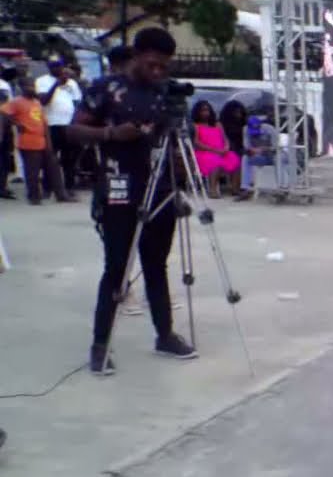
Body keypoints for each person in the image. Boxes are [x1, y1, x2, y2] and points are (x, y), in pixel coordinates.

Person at [70, 27, 197, 375]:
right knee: (117, 269)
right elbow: (73, 131)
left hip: (160, 190)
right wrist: (111, 133)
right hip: (118, 188)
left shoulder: (166, 93)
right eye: (152, 64)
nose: (158, 71)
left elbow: (179, 139)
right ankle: (100, 344)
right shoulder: (105, 89)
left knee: (157, 265)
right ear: (136, 55)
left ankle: (165, 335)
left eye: (164, 66)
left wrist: (180, 175)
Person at [0, 77, 75, 204]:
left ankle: (61, 195)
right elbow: (3, 113)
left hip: (43, 141)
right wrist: (16, 123)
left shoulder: (36, 102)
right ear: (22, 88)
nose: (32, 88)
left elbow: (44, 123)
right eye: (28, 86)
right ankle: (34, 197)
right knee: (32, 172)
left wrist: (48, 142)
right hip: (28, 142)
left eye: (33, 86)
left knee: (54, 169)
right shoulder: (17, 102)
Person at [35, 58, 83, 192]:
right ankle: (48, 188)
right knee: (50, 157)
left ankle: (69, 187)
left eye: (59, 66)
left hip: (69, 125)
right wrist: (57, 84)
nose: (57, 69)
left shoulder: (72, 82)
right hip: (51, 124)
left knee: (69, 158)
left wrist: (75, 120)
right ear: (49, 68)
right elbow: (43, 101)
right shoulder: (42, 81)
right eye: (54, 66)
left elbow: (77, 102)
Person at [190, 100, 240, 198]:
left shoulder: (218, 124)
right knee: (214, 160)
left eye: (207, 110)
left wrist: (226, 148)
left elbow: (225, 139)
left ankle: (235, 188)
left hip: (221, 151)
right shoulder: (196, 126)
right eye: (203, 110)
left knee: (234, 158)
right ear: (198, 112)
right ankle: (212, 190)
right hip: (204, 153)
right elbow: (196, 142)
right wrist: (213, 150)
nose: (206, 113)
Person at [236, 115, 282, 199]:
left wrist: (264, 149)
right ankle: (246, 188)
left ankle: (280, 187)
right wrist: (252, 150)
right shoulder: (245, 129)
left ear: (260, 125)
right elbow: (246, 147)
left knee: (279, 158)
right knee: (245, 158)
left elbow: (277, 147)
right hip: (258, 157)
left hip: (271, 156)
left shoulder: (269, 129)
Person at [219, 100, 249, 194]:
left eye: (240, 112)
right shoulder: (223, 125)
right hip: (226, 148)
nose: (238, 115)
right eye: (236, 112)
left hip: (239, 148)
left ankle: (240, 186)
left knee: (241, 157)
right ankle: (235, 188)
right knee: (237, 159)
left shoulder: (243, 124)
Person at [0, 69, 15, 200]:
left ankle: (2, 186)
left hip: (5, 127)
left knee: (5, 159)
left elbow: (9, 105)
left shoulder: (4, 85)